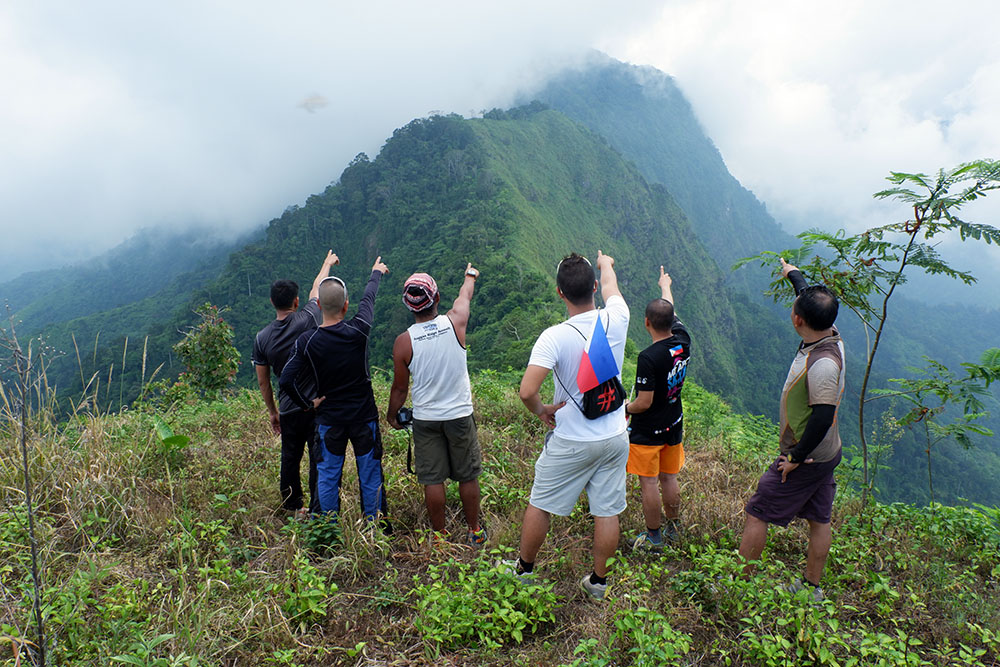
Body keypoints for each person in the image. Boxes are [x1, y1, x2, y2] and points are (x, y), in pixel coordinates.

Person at [509, 251, 630, 601]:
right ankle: (598, 584)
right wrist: (606, 262)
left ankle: (524, 572)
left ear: (559, 293)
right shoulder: (617, 318)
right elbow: (612, 286)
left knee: (541, 502)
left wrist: (542, 410)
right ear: (592, 287)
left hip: (573, 439)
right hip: (615, 435)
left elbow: (527, 391)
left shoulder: (553, 337)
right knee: (607, 511)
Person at [738, 257, 844, 600]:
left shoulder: (823, 365)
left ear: (798, 319)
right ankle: (812, 589)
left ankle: (738, 585)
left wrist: (796, 457)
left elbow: (822, 416)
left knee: (758, 511)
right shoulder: (830, 334)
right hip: (829, 452)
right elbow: (809, 298)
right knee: (819, 519)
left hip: (808, 455)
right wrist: (793, 275)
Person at [279, 256, 392, 531]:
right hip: (364, 415)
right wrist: (375, 272)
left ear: (317, 306)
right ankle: (376, 529)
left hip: (328, 419)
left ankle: (325, 533)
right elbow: (369, 299)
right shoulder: (359, 329)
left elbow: (285, 380)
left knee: (328, 476)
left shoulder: (308, 342)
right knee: (370, 473)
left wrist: (307, 404)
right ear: (346, 305)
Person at [386, 263, 487, 546]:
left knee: (433, 479)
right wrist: (470, 275)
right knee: (467, 476)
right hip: (459, 415)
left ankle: (440, 537)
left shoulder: (404, 342)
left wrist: (393, 415)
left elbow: (400, 387)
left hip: (426, 419)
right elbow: (465, 296)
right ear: (437, 299)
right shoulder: (455, 322)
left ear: (409, 306)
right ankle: (474, 531)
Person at [252, 250, 339, 518]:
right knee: (317, 458)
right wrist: (327, 263)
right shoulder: (308, 318)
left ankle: (293, 507)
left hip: (289, 408)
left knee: (290, 458)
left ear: (271, 302)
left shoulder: (262, 338)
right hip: (316, 405)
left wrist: (272, 412)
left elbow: (264, 382)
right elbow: (318, 288)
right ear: (296, 301)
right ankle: (317, 508)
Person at [625, 266, 691, 551]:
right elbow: (671, 311)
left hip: (649, 429)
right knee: (669, 477)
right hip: (674, 422)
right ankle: (674, 529)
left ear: (646, 323)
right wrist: (665, 286)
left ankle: (654, 537)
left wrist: (624, 407)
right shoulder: (683, 340)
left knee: (649, 483)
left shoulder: (648, 357)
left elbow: (644, 402)